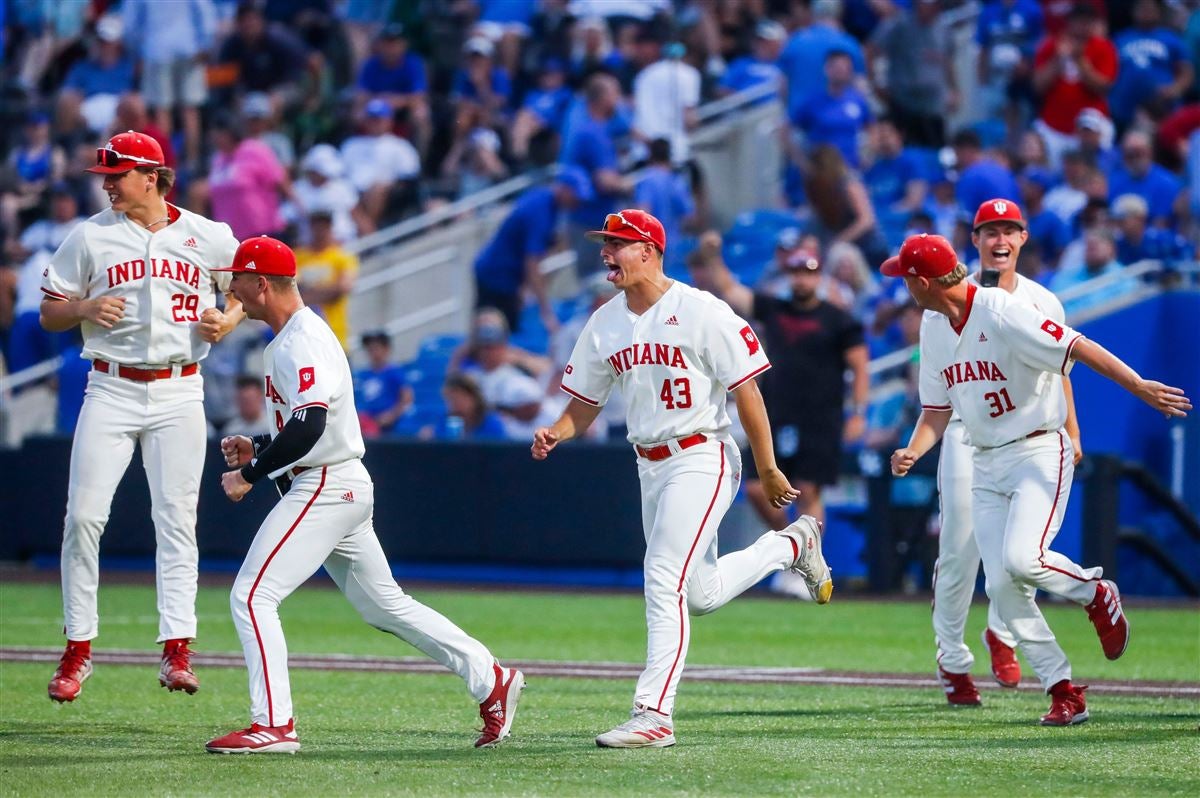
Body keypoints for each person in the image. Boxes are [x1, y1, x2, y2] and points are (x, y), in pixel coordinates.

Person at [206, 236, 523, 753]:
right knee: (386, 606)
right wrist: (261, 444)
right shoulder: (293, 336)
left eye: (238, 279)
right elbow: (309, 426)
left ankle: (274, 724)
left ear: (261, 284)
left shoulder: (302, 338)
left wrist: (252, 473)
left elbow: (310, 426)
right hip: (336, 478)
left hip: (326, 483)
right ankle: (492, 679)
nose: (232, 288)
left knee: (252, 594)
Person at [532, 209, 833, 748]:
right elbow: (583, 406)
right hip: (649, 464)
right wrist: (556, 431)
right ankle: (793, 544)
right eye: (605, 244)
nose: (606, 254)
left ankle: (653, 714)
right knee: (700, 592)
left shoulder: (701, 311)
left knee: (662, 573)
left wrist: (766, 466)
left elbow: (747, 391)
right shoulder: (605, 322)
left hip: (702, 455)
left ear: (649, 249)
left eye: (617, 244)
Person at [886, 232, 1191, 726]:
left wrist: (1138, 386)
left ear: (922, 281)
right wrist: (913, 449)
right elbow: (936, 410)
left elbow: (1078, 346)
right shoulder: (934, 323)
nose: (901, 285)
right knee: (1004, 587)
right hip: (985, 461)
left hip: (1035, 449)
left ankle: (1096, 593)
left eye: (904, 277)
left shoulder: (1002, 311)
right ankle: (1063, 689)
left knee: (1022, 560)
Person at [39, 131, 244, 703]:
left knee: (176, 519)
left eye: (117, 174)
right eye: (105, 174)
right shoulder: (90, 236)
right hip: (111, 386)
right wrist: (81, 307)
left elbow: (246, 291)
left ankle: (178, 646)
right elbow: (49, 311)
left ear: (150, 176)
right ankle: (78, 648)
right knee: (83, 517)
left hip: (181, 390)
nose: (107, 183)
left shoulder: (208, 235)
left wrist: (229, 319)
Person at [927, 199, 1084, 707]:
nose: (999, 239)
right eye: (989, 230)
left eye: (1008, 230)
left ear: (1023, 238)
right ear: (974, 240)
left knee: (1020, 548)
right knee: (959, 545)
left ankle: (1004, 631)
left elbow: (1060, 368)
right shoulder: (951, 299)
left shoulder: (1042, 301)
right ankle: (952, 659)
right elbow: (936, 391)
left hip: (1025, 433)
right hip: (967, 431)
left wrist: (1073, 433)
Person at [702, 245, 868, 537]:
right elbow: (731, 291)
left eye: (809, 273)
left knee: (808, 490)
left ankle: (807, 561)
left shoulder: (839, 320)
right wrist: (714, 257)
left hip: (820, 418)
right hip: (776, 414)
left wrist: (858, 413)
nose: (802, 279)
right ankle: (792, 547)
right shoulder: (775, 309)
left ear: (819, 278)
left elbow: (860, 367)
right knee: (756, 488)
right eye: (796, 273)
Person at [294, 208, 358, 349]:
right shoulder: (298, 257)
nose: (320, 230)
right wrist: (329, 291)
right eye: (316, 225)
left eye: (324, 225)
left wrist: (307, 293)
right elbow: (290, 292)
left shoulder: (342, 257)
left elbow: (343, 287)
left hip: (336, 335)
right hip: (304, 338)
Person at [353, 330, 413, 437]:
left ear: (386, 349)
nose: (372, 352)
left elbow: (407, 398)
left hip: (387, 426)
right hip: (364, 424)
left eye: (376, 348)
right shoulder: (362, 375)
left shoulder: (395, 373)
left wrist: (390, 416)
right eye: (369, 349)